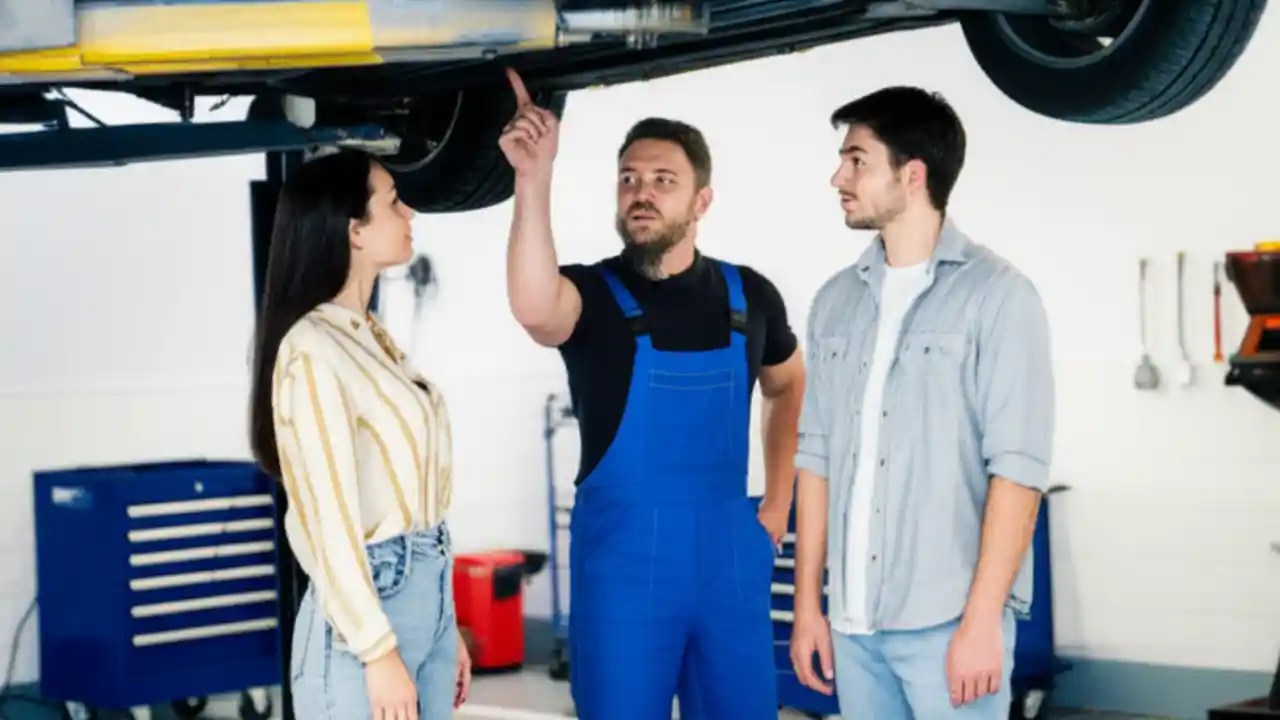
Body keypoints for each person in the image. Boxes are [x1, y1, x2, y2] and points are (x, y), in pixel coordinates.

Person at [498, 68, 806, 720]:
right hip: (625, 571)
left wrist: (778, 501)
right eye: (629, 179)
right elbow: (532, 306)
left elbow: (788, 383)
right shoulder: (591, 296)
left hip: (731, 558)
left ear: (702, 201)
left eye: (663, 181)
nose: (641, 193)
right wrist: (532, 177)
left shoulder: (750, 297)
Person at [788, 86, 1054, 719]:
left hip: (948, 624)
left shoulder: (999, 298)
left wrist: (983, 621)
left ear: (912, 176)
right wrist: (808, 609)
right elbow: (815, 459)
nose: (838, 177)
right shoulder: (835, 303)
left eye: (857, 161)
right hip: (853, 626)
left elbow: (1018, 470)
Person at [247, 149, 471, 720]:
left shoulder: (370, 337)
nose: (409, 213)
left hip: (425, 596)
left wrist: (446, 623)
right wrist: (377, 652)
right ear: (354, 232)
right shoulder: (311, 349)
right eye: (393, 202)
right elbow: (328, 521)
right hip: (364, 627)